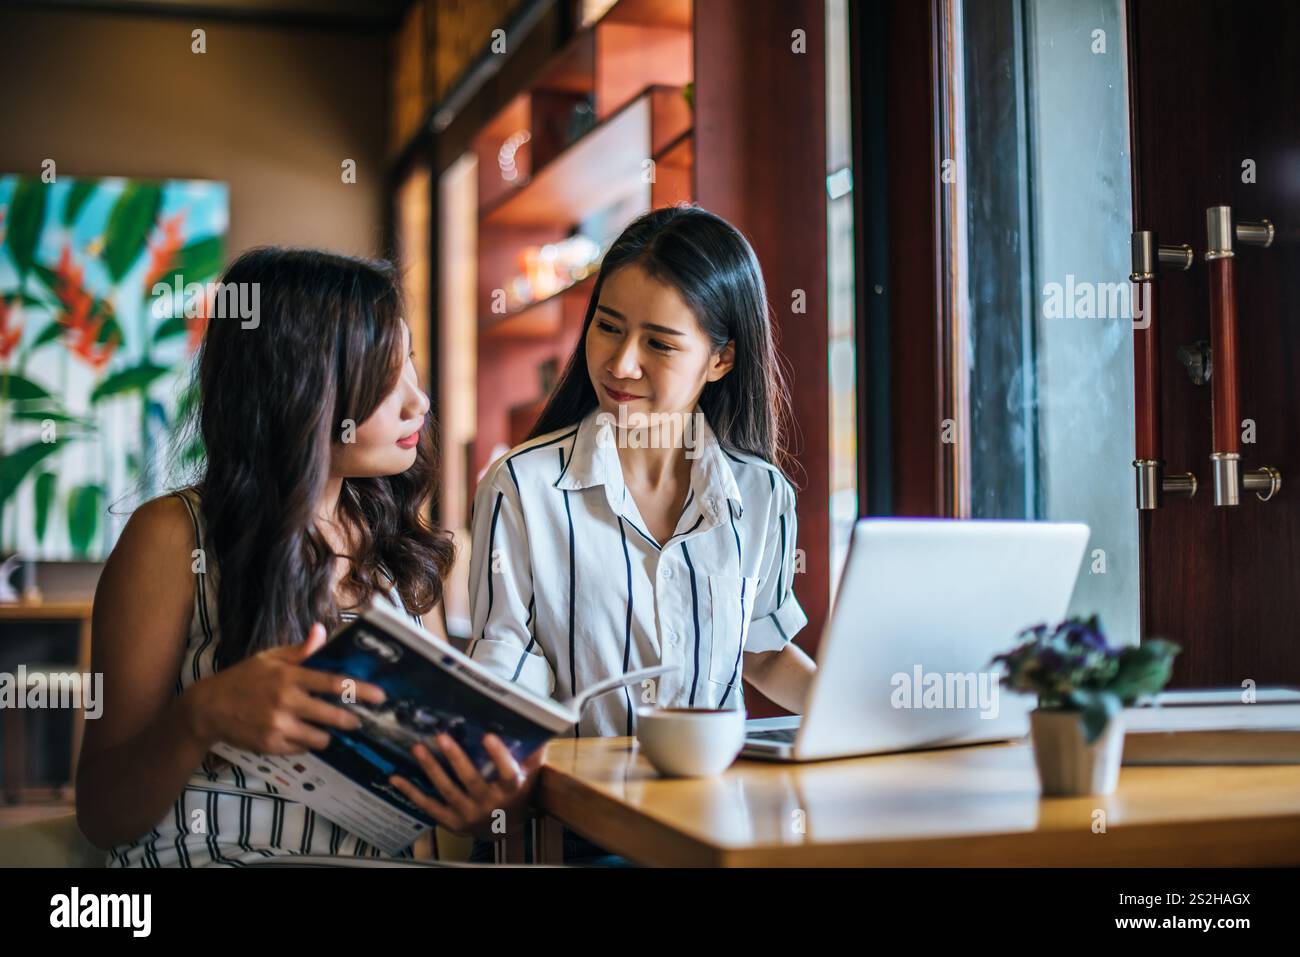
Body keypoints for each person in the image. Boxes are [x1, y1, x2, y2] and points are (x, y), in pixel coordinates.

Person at [77, 248, 541, 867]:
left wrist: (482, 805)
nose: (418, 402)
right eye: (384, 374)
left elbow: (445, 795)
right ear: (302, 385)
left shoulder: (396, 553)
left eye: (412, 365)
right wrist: (199, 717)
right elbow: (102, 813)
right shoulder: (173, 536)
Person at [465, 206, 818, 863]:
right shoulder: (522, 487)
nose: (621, 362)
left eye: (659, 342)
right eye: (607, 327)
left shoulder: (762, 493)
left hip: (712, 816)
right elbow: (503, 665)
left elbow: (763, 649)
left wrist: (864, 715)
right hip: (575, 830)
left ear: (720, 359)